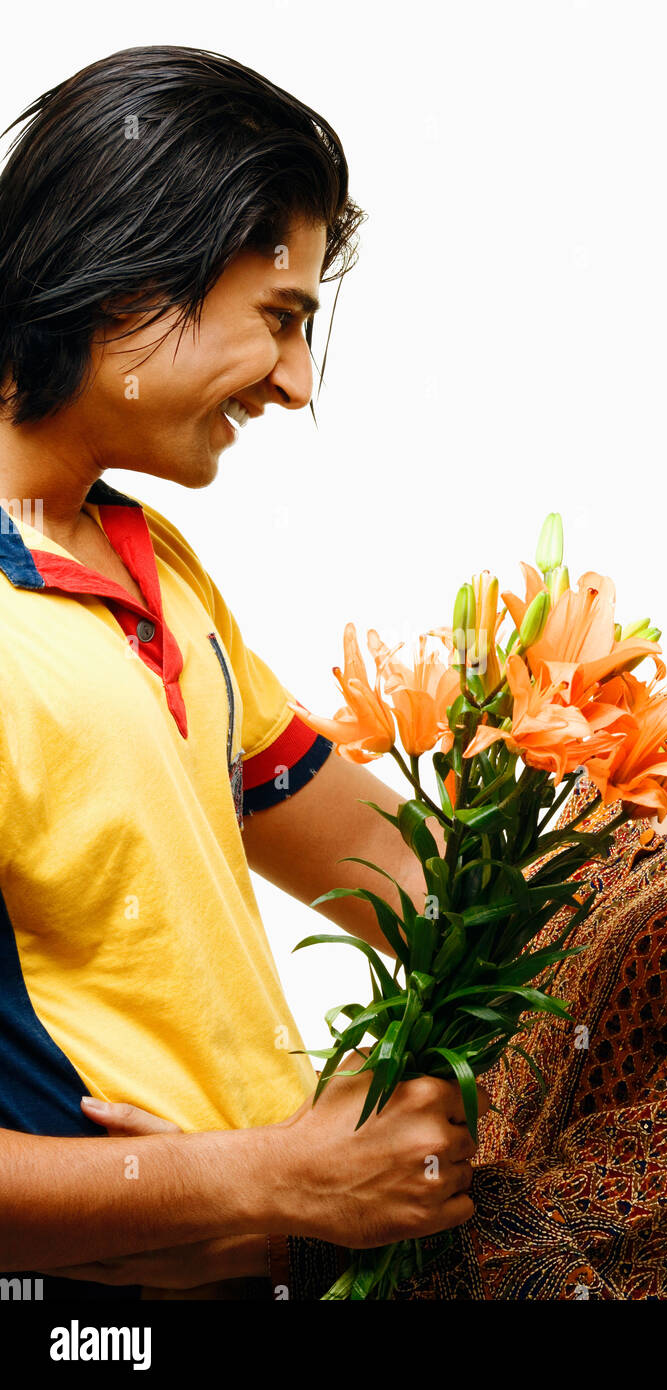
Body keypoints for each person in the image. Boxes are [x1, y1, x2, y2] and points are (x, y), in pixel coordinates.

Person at [115, 294, 667, 1299]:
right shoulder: (665, 725)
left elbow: (628, 1216)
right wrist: (278, 1167)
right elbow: (492, 1017)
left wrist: (239, 1210)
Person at [0, 44, 484, 1301]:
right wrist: (269, 1179)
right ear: (131, 279)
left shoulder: (144, 557)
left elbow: (414, 881)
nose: (293, 382)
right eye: (279, 319)